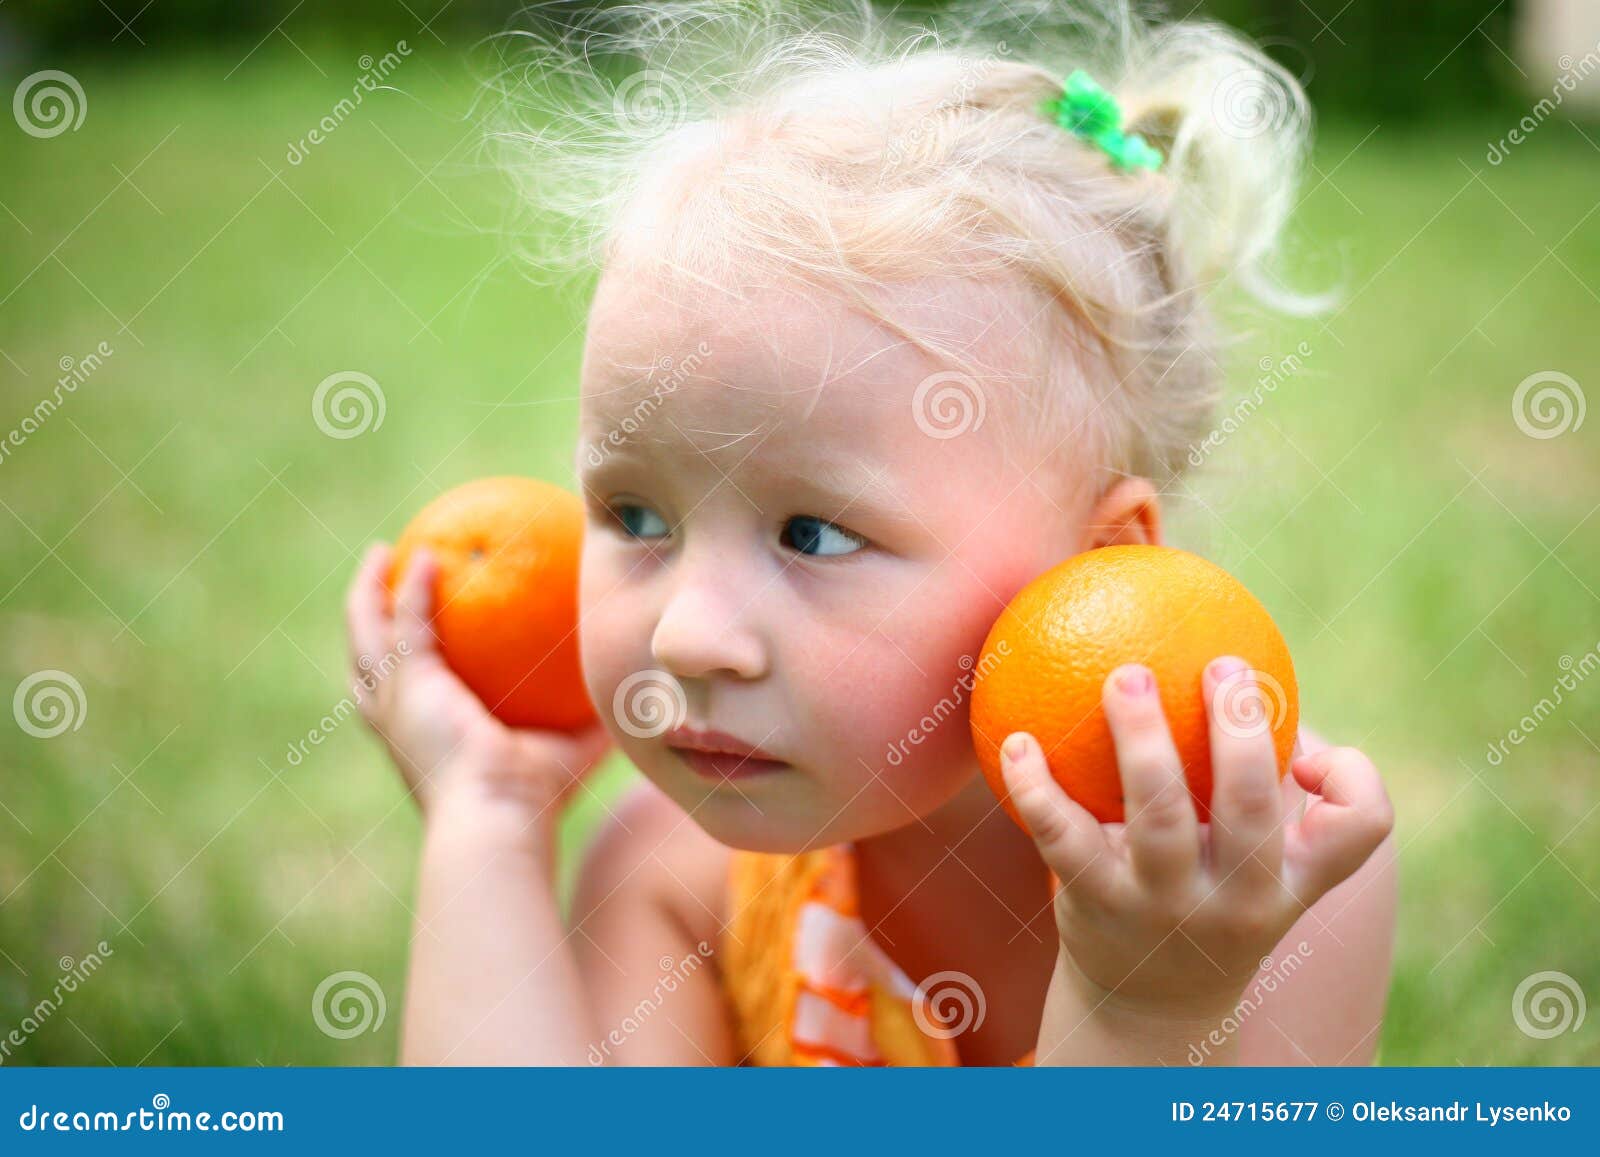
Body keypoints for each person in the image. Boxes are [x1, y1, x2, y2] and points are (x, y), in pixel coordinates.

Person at [344, 0, 1396, 1066]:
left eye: (812, 533)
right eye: (636, 514)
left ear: (1097, 565)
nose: (687, 637)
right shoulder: (673, 877)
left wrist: (1143, 1011)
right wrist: (488, 815)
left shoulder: (1276, 887)